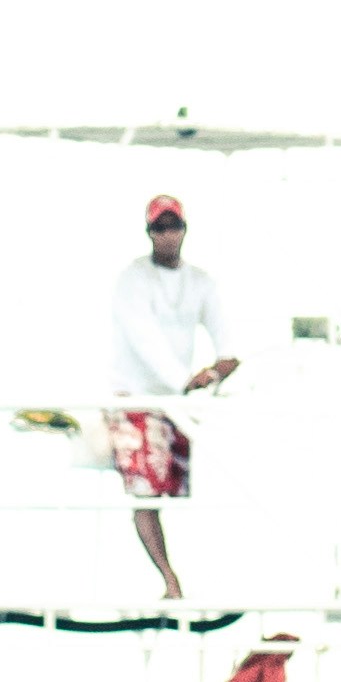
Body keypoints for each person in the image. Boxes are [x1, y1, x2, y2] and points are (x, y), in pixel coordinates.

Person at [105, 189, 239, 599]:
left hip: (176, 401)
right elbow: (142, 337)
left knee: (168, 490)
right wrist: (185, 380)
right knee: (143, 490)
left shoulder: (200, 282)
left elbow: (223, 331)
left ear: (184, 230)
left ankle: (180, 580)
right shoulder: (133, 278)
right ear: (148, 232)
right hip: (137, 397)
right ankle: (169, 580)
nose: (167, 234)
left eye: (173, 225)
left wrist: (224, 362)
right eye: (159, 227)